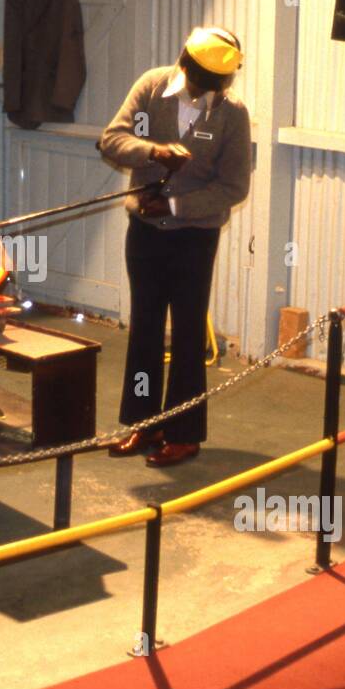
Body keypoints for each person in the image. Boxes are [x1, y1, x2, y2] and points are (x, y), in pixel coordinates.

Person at [97, 28, 251, 467]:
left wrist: (177, 204)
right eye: (199, 81)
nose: (203, 92)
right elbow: (113, 139)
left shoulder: (231, 114)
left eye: (214, 86)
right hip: (144, 232)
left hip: (195, 236)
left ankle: (183, 432)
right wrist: (154, 152)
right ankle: (144, 424)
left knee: (186, 334)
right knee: (144, 328)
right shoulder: (152, 87)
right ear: (186, 63)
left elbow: (233, 186)